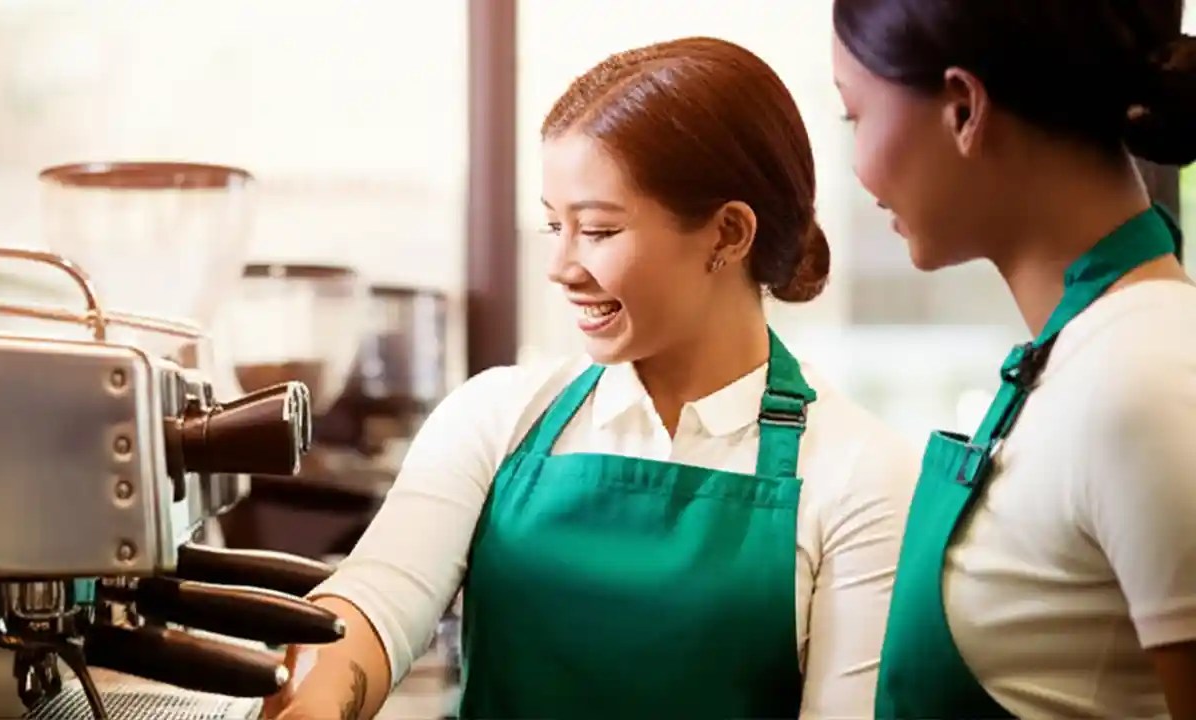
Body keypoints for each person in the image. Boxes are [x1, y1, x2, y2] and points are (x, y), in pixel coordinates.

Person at [265, 36, 917, 720]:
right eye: (554, 225)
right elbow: (371, 605)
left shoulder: (859, 474)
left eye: (599, 231)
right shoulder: (495, 416)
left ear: (726, 234)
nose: (561, 266)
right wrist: (316, 695)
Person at [831, 1, 1196, 717]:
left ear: (964, 108)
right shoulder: (1082, 354)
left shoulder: (1143, 373)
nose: (857, 166)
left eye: (854, 116)